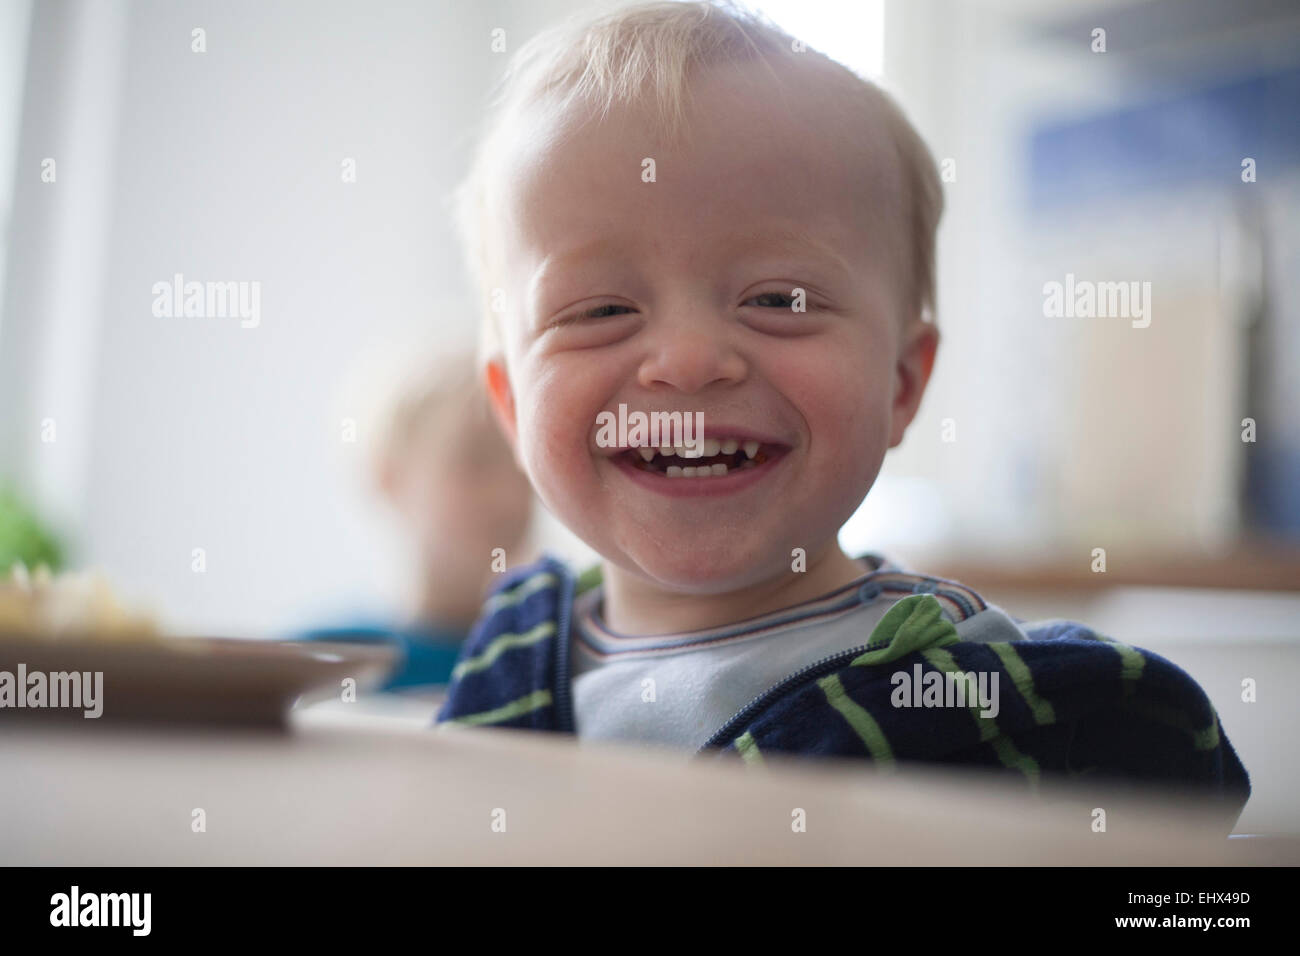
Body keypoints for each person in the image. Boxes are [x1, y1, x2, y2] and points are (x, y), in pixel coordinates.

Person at [435, 0, 1249, 827]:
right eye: (600, 310)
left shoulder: (1017, 713)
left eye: (778, 298)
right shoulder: (505, 663)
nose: (685, 362)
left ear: (900, 383)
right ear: (510, 405)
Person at [297, 353, 534, 690]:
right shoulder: (318, 662)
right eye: (475, 461)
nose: (510, 497)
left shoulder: (553, 661)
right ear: (388, 476)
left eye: (521, 464)